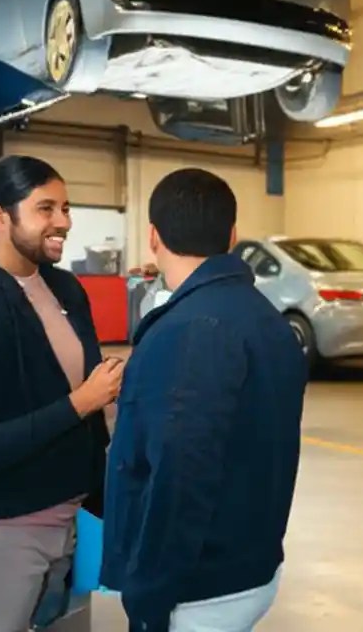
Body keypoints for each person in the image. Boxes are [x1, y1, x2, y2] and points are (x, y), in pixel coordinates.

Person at [100, 168, 308, 632]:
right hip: (249, 562)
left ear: (153, 236)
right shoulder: (266, 319)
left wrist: (149, 593)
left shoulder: (188, 330)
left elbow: (180, 473)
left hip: (197, 588)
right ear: (232, 235)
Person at [0, 155, 122, 632]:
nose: (64, 222)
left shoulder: (64, 289)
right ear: (0, 217)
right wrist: (81, 403)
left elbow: (80, 393)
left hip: (64, 525)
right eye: (46, 209)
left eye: (67, 208)